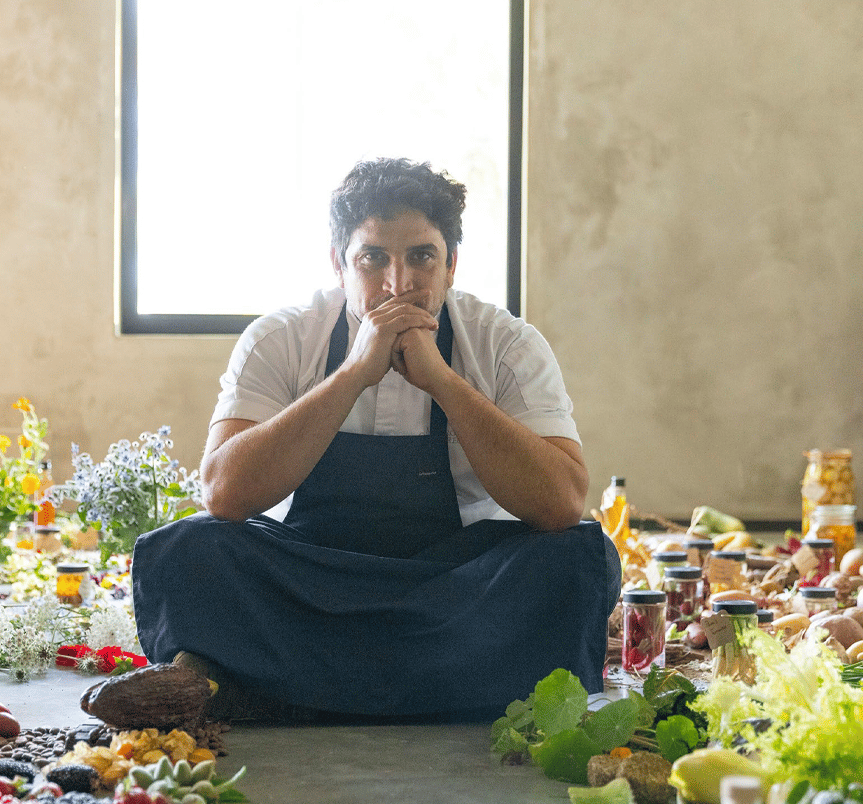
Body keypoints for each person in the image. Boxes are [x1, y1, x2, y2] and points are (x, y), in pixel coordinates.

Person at [132, 158, 620, 721]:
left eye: (421, 257)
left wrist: (443, 382)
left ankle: (271, 688)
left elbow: (561, 502)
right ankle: (461, 690)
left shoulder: (505, 344)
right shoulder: (283, 338)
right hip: (309, 587)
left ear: (452, 266)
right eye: (372, 259)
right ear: (339, 266)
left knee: (579, 555)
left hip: (459, 591)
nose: (398, 284)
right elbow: (224, 493)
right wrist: (352, 375)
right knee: (188, 550)